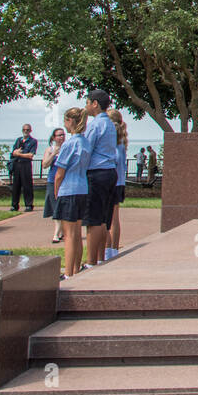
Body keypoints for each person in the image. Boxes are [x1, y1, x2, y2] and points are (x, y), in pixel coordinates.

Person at [81, 90, 118, 268]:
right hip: (110, 172)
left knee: (93, 220)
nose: (86, 105)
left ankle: (90, 262)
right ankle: (101, 257)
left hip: (97, 174)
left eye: (87, 102)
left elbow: (86, 150)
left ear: (95, 104)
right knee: (103, 218)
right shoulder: (110, 124)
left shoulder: (95, 125)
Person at [52, 109, 89, 278]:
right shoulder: (85, 142)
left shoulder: (69, 143)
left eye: (65, 120)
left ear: (70, 121)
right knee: (77, 233)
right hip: (82, 188)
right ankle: (75, 270)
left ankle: (67, 273)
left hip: (68, 190)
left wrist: (56, 193)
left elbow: (59, 174)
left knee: (69, 235)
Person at [106, 109, 128, 259]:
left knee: (107, 219)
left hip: (112, 182)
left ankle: (109, 250)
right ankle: (113, 249)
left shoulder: (113, 143)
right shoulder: (122, 142)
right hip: (120, 182)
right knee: (114, 218)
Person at [42, 127, 67, 244]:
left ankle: (59, 232)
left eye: (63, 135)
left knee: (62, 207)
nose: (61, 137)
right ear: (54, 137)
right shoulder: (50, 149)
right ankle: (57, 233)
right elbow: (45, 165)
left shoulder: (67, 148)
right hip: (53, 181)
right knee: (55, 206)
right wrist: (54, 154)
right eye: (59, 135)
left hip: (65, 180)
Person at [9, 123, 37, 211]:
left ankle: (29, 204)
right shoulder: (18, 140)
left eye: (27, 130)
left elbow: (30, 155)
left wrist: (19, 154)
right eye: (24, 130)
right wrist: (17, 154)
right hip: (17, 164)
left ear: (30, 131)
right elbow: (13, 152)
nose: (26, 131)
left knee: (27, 185)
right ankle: (14, 205)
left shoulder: (33, 141)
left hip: (26, 165)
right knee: (16, 186)